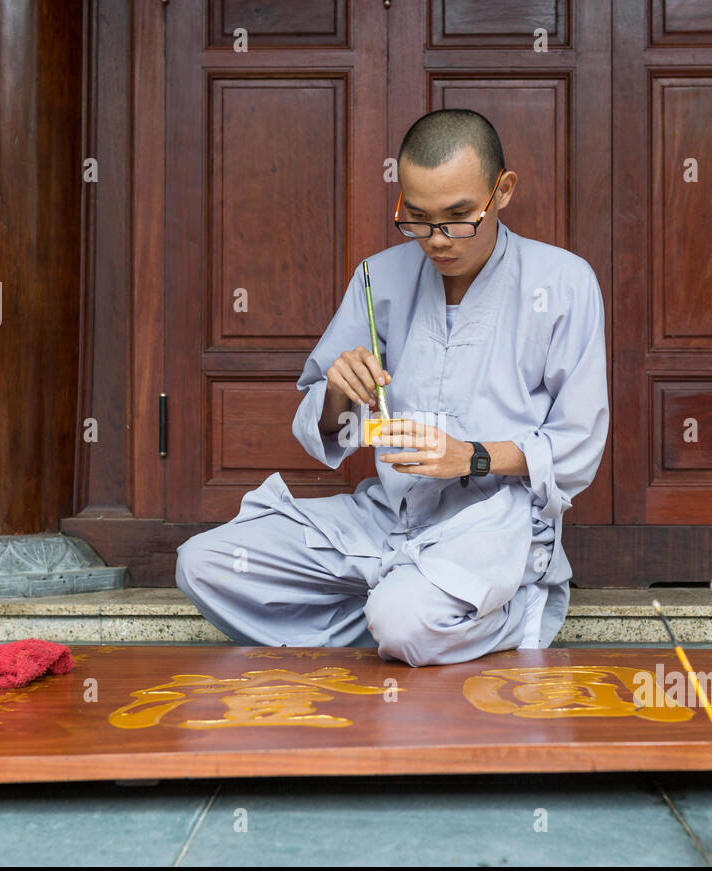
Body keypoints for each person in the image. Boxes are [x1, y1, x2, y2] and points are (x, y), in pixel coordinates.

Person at [176, 108, 608, 666]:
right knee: (203, 564)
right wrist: (338, 392)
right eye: (417, 218)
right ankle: (404, 616)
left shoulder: (564, 283)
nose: (437, 240)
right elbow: (329, 430)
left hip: (493, 525)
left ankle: (439, 612)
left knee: (405, 620)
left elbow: (577, 443)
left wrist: (471, 458)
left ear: (502, 191)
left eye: (457, 217)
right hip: (387, 519)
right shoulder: (378, 277)